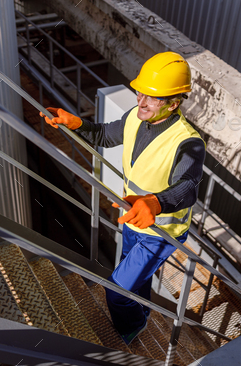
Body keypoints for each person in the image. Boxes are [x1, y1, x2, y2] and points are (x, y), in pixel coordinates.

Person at [40, 52, 206, 345]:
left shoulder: (187, 141)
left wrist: (155, 203)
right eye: (140, 92)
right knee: (136, 282)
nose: (140, 101)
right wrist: (76, 123)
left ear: (174, 102)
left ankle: (131, 328)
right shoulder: (135, 117)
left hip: (161, 231)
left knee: (116, 289)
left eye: (151, 98)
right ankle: (141, 313)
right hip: (133, 220)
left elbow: (189, 186)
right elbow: (105, 134)